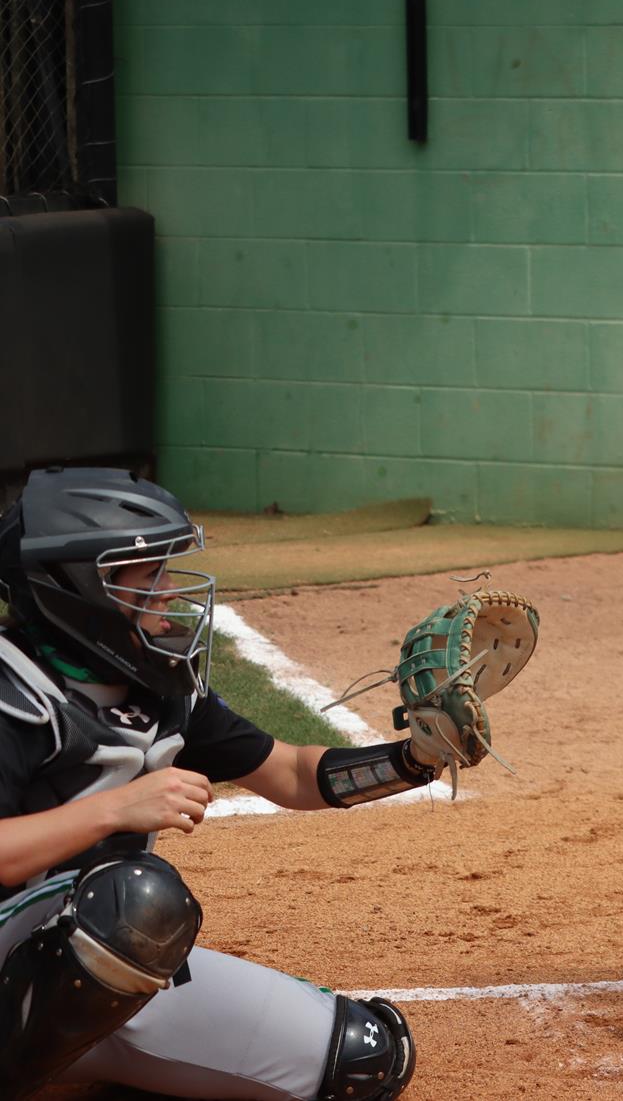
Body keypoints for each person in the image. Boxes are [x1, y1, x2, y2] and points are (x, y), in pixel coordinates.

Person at [0, 467, 453, 1100]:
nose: (168, 593)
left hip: (96, 971)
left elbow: (293, 773)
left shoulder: (161, 688)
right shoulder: (12, 693)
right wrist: (113, 810)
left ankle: (91, 1066)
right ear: (79, 586)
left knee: (364, 1059)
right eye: (145, 575)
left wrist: (414, 760)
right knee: (138, 902)